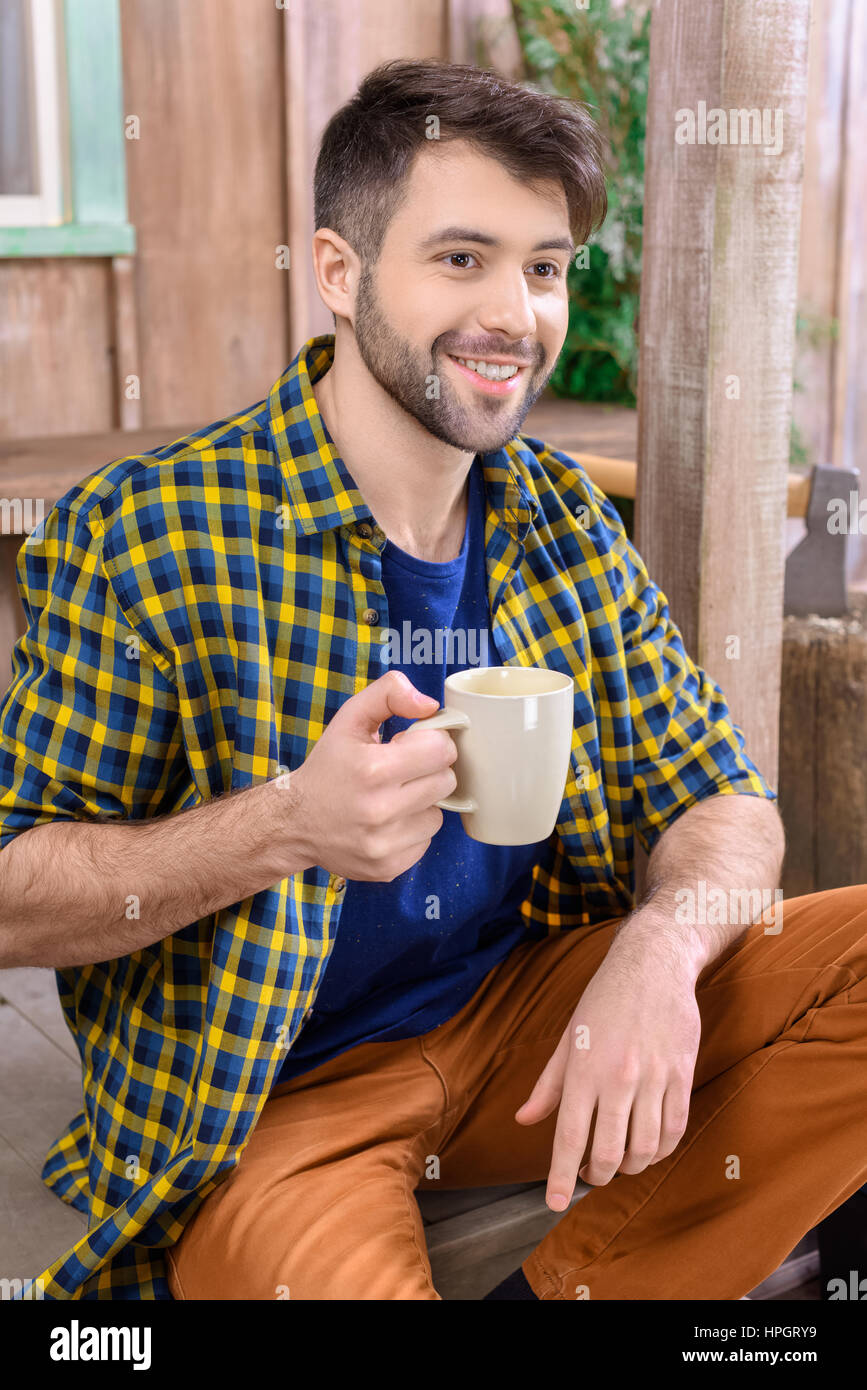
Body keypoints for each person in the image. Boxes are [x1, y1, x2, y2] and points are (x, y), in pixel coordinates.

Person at [1, 58, 865, 1302]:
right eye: (462, 258)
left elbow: (726, 801)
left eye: (546, 266)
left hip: (526, 1023)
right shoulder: (147, 532)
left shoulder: (563, 516)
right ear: (340, 274)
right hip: (275, 1094)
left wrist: (658, 957)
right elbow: (14, 892)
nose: (515, 310)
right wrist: (285, 826)